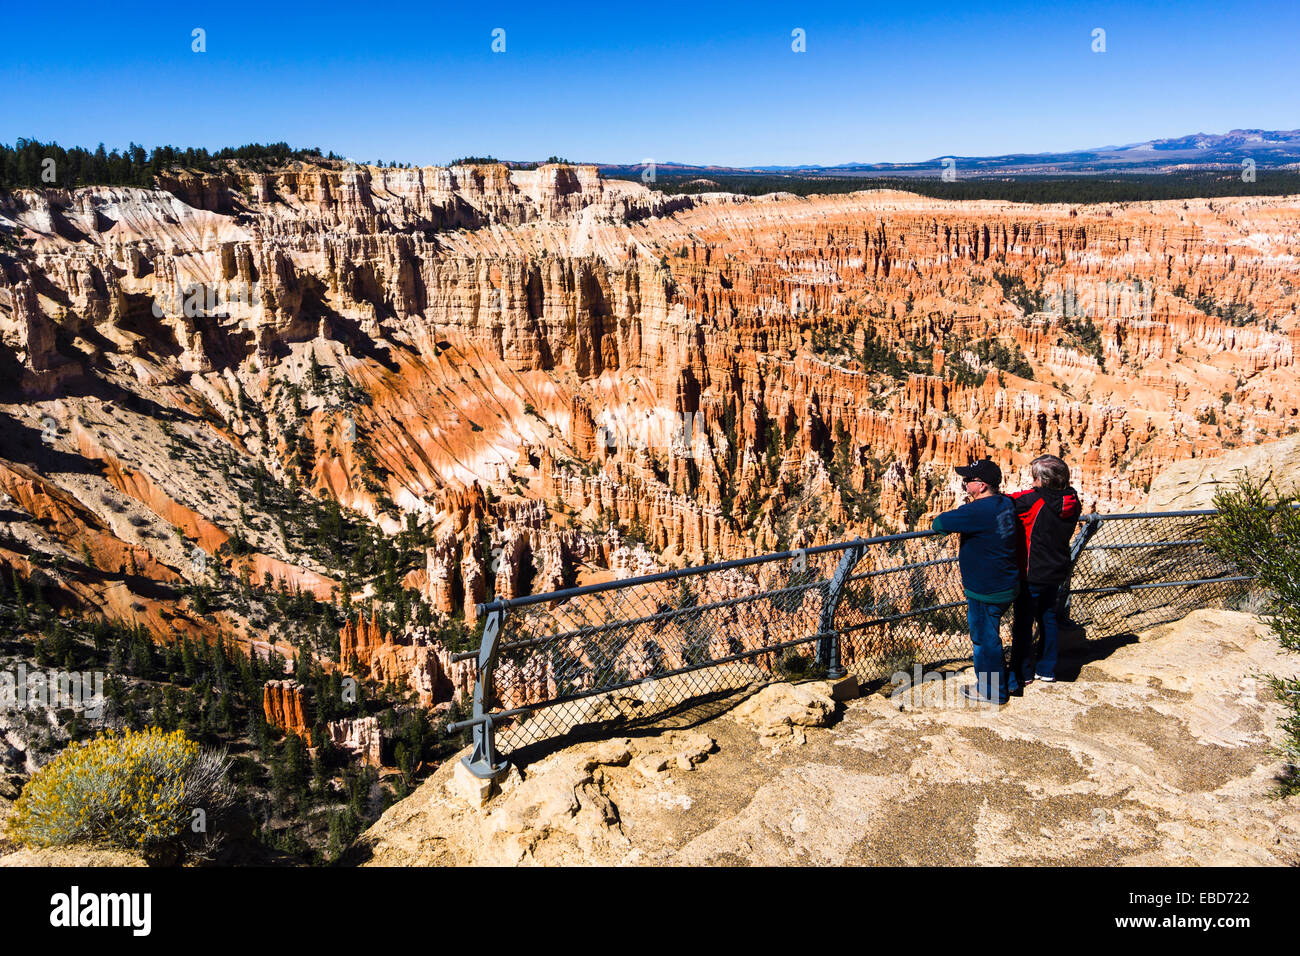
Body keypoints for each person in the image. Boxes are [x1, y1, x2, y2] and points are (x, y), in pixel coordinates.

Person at [931, 459, 1020, 706]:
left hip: (986, 588)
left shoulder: (978, 511)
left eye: (968, 480)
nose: (964, 482)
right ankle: (1007, 682)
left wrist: (963, 510)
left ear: (980, 486)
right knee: (992, 635)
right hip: (1007, 582)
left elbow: (939, 524)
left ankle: (992, 691)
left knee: (984, 640)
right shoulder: (1005, 502)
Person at [1008, 455, 1082, 689]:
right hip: (1057, 569)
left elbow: (1004, 502)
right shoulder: (1073, 500)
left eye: (1035, 477)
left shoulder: (1033, 501)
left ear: (1043, 480)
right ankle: (1047, 668)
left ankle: (1023, 672)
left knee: (1023, 623)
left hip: (1032, 572)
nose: (1032, 481)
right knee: (1048, 618)